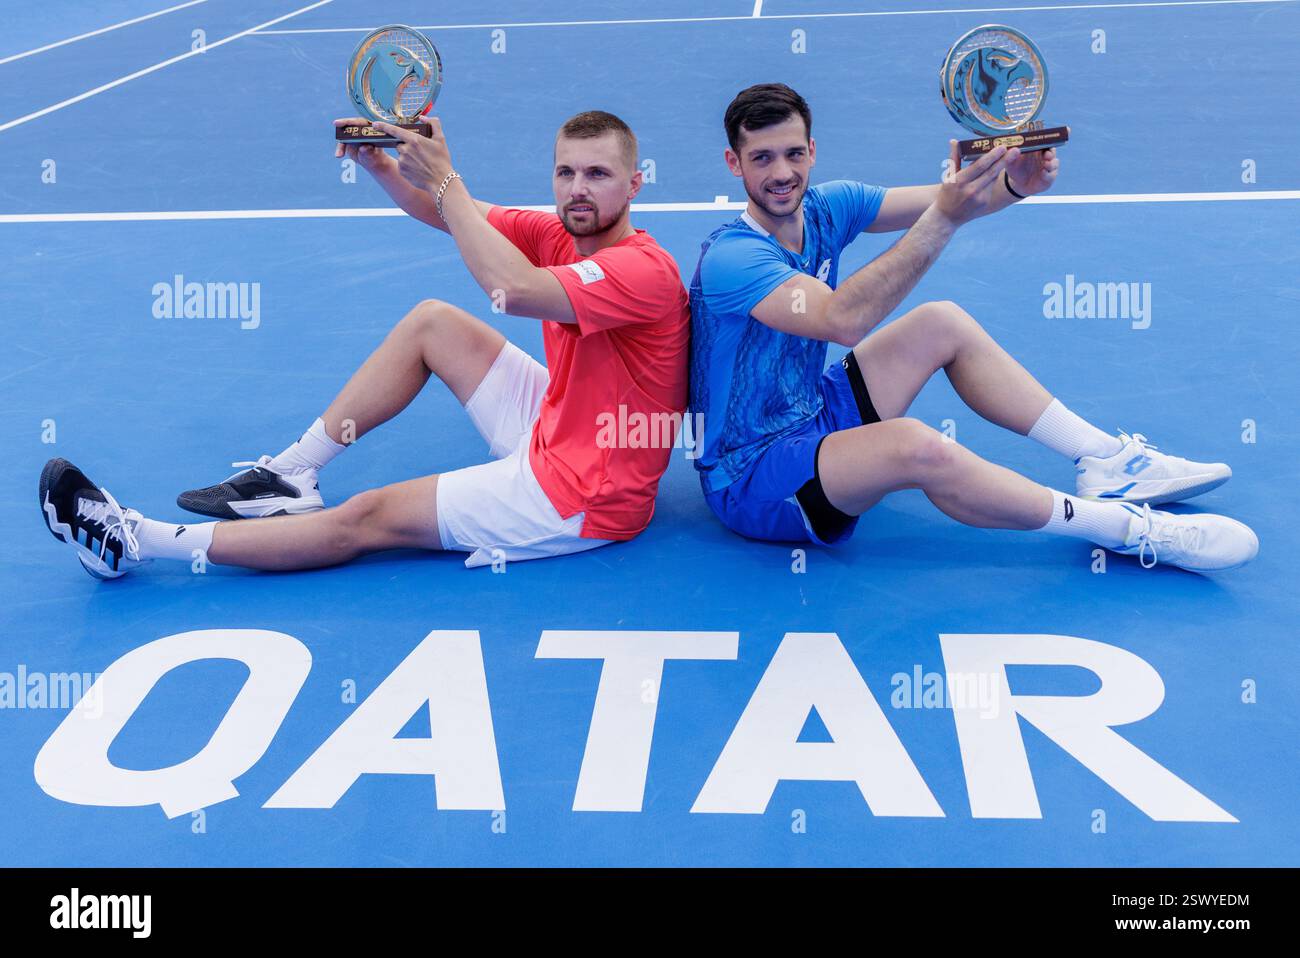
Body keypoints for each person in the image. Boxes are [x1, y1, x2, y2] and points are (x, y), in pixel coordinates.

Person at [40, 110, 689, 579]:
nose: (579, 189)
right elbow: (447, 214)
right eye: (566, 172)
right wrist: (384, 168)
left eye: (599, 174)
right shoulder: (560, 231)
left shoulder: (642, 271)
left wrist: (447, 179)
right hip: (562, 419)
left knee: (367, 517)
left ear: (633, 186)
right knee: (434, 321)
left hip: (585, 494)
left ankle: (139, 539)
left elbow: (512, 289)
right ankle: (293, 472)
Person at [687, 83, 1256, 572]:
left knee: (941, 322)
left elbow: (948, 199)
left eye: (792, 154)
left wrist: (1013, 185)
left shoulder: (828, 207)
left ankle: (1106, 460)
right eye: (761, 159)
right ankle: (1122, 528)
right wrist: (948, 215)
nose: (782, 173)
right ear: (734, 163)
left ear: (812, 150)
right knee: (918, 448)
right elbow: (844, 320)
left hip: (814, 412)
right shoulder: (733, 259)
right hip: (752, 474)